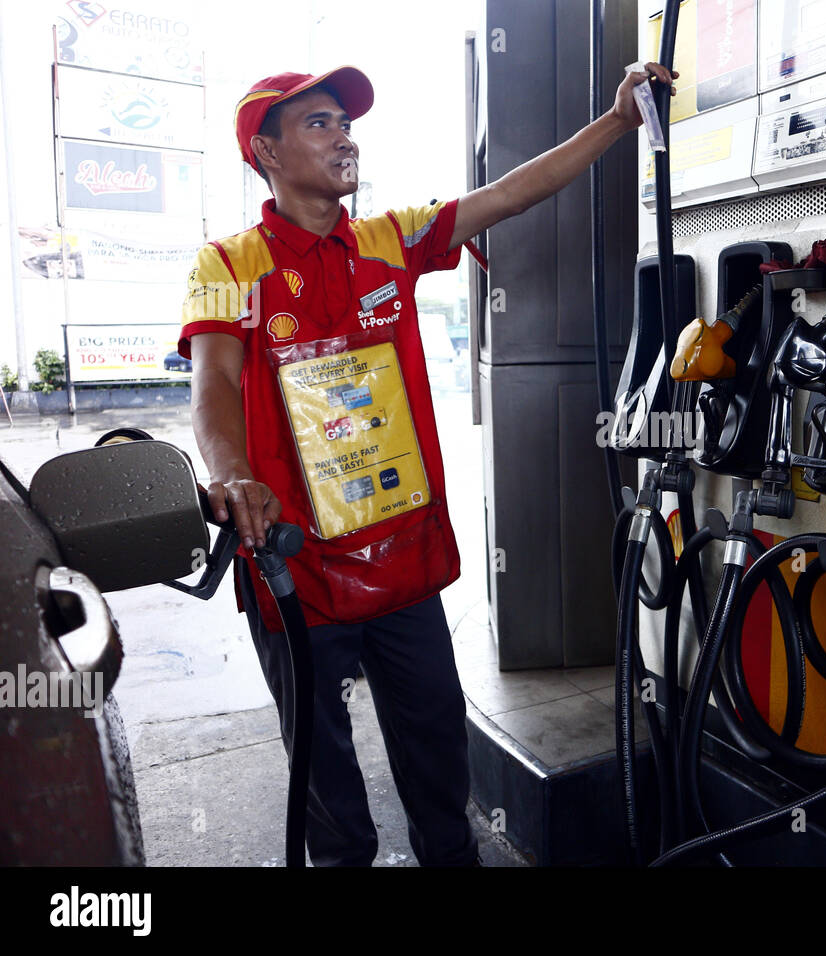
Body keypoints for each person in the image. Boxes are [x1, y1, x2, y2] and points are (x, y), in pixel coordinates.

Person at [178, 62, 676, 866]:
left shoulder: (389, 238)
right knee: (330, 795)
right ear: (265, 151)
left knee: (439, 769)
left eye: (346, 122)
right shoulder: (228, 266)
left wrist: (617, 122)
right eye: (319, 123)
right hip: (294, 571)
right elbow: (216, 385)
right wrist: (234, 475)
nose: (345, 136)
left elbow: (510, 195)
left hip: (402, 567)